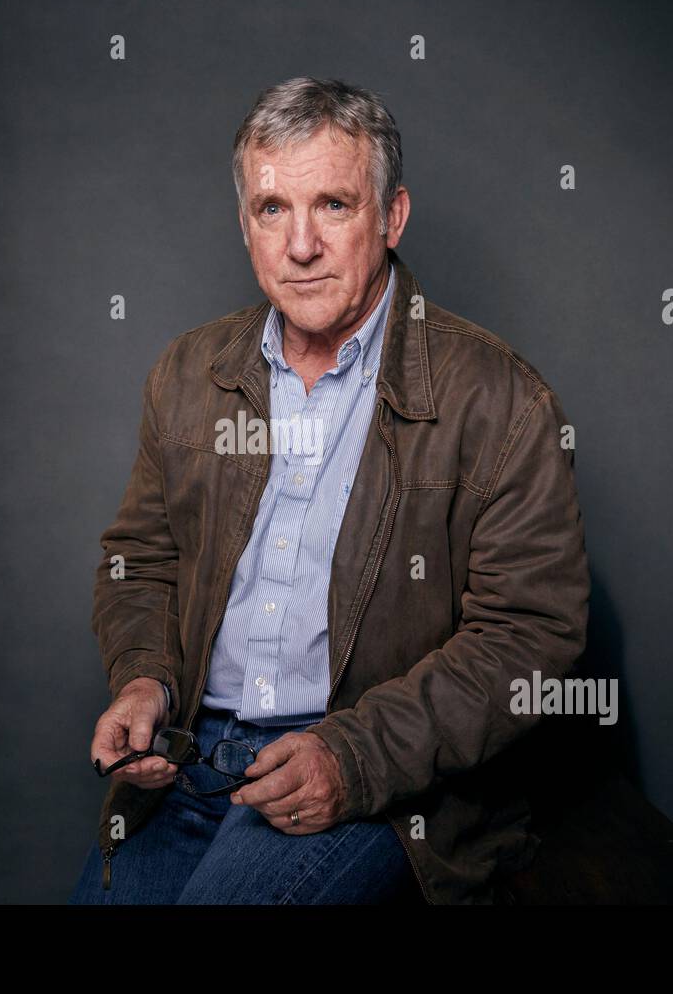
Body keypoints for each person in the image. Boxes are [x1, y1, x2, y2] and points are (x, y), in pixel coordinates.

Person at [70, 76, 590, 905]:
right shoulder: (188, 373)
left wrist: (350, 759)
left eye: (335, 206)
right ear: (246, 226)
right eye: (273, 209)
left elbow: (531, 640)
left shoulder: (501, 399)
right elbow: (142, 559)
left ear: (392, 217)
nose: (300, 244)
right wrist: (144, 682)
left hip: (380, 778)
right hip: (191, 754)